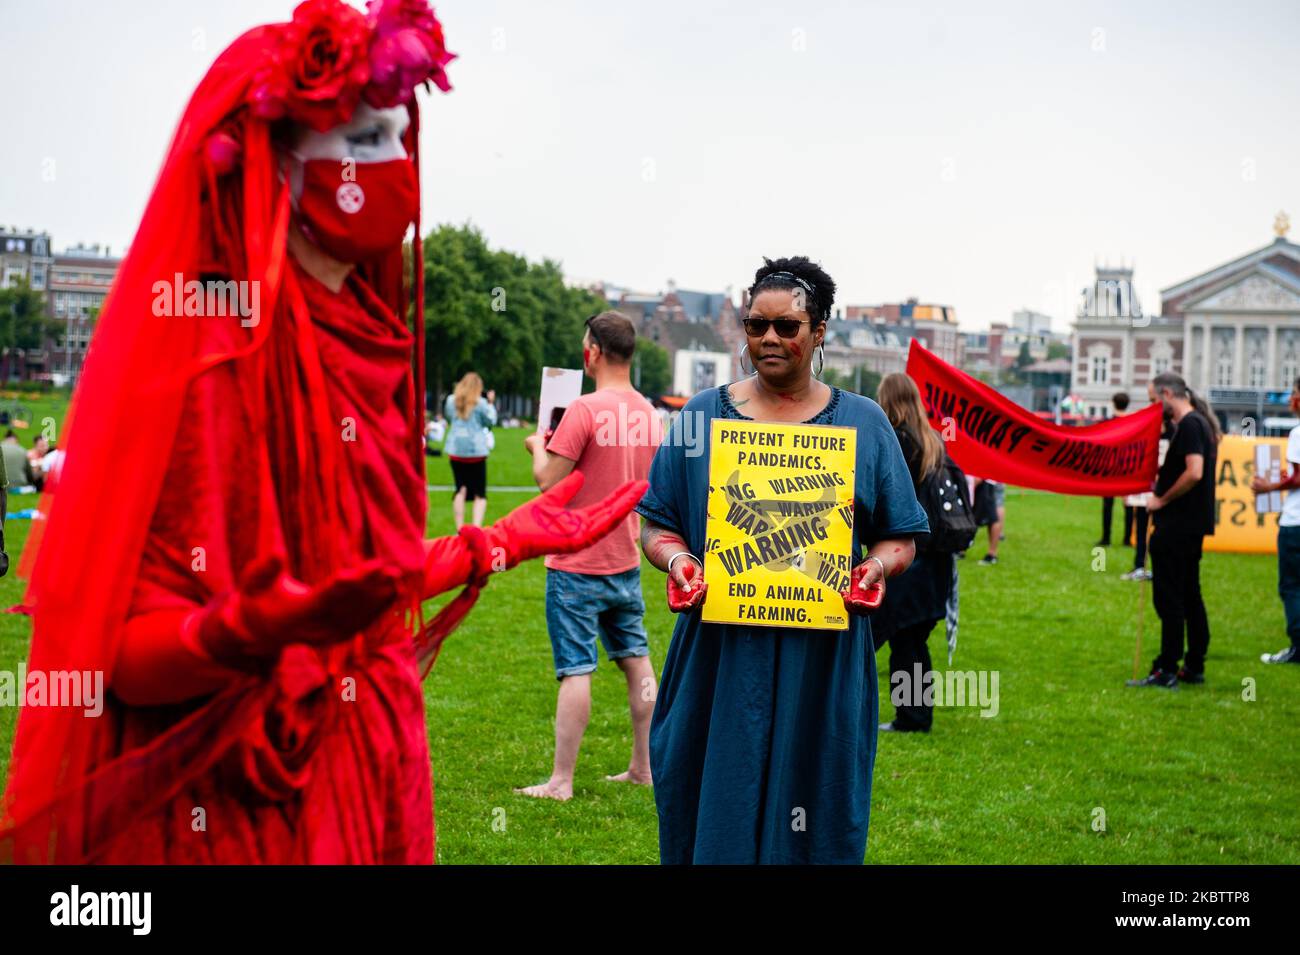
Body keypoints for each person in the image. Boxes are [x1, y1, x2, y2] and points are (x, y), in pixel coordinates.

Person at [0, 0, 647, 864]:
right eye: (357, 139)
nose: (387, 162)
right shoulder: (204, 366)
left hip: (369, 761)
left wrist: (494, 543)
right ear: (271, 160)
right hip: (233, 805)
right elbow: (122, 657)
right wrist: (237, 631)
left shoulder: (373, 344)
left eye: (393, 136)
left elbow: (356, 587)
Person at [636, 256, 929, 864]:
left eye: (787, 327)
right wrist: (677, 562)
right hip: (720, 659)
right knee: (712, 806)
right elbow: (656, 523)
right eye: (754, 326)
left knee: (814, 814)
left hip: (821, 661)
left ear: (819, 331)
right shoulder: (699, 416)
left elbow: (901, 538)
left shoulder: (864, 423)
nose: (768, 339)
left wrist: (874, 570)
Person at [516, 312, 663, 800]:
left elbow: (548, 481)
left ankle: (561, 781)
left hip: (576, 560)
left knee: (576, 668)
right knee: (637, 660)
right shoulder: (648, 412)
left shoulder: (583, 409)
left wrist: (539, 446)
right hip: (625, 560)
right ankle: (643, 767)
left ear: (594, 351)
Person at [874, 373, 956, 733]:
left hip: (908, 559)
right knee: (913, 643)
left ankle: (912, 718)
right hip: (936, 562)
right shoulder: (934, 441)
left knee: (899, 643)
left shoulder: (899, 443)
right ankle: (916, 716)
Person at [1131, 372, 1220, 688]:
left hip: (1177, 525)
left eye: (1155, 400)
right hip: (1190, 525)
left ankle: (1167, 667)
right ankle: (1193, 664)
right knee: (1189, 595)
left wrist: (1161, 499)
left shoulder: (1192, 425)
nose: (1154, 407)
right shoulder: (1199, 425)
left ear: (1168, 394)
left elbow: (1194, 472)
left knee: (1170, 599)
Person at [1250, 376, 1300, 664]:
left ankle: (1297, 645)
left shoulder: (1296, 433)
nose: (1291, 399)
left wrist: (1269, 487)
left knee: (1291, 586)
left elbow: (1297, 477)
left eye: (1294, 393)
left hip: (1295, 523)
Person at [444, 372, 497, 528]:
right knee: (480, 493)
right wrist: (491, 403)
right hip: (476, 451)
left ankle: (460, 528)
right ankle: (476, 527)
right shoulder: (480, 403)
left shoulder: (451, 401)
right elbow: (490, 421)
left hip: (456, 450)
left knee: (460, 489)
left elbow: (448, 418)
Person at [1098, 391, 1133, 547]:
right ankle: (1127, 539)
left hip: (1110, 468)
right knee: (1129, 506)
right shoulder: (1132, 424)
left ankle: (1106, 538)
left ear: (1113, 403)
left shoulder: (1106, 423)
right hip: (1127, 469)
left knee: (1107, 505)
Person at [971, 477, 1004, 564]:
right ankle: (992, 554)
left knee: (992, 517)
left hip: (987, 481)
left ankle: (992, 554)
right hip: (992, 479)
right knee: (997, 509)